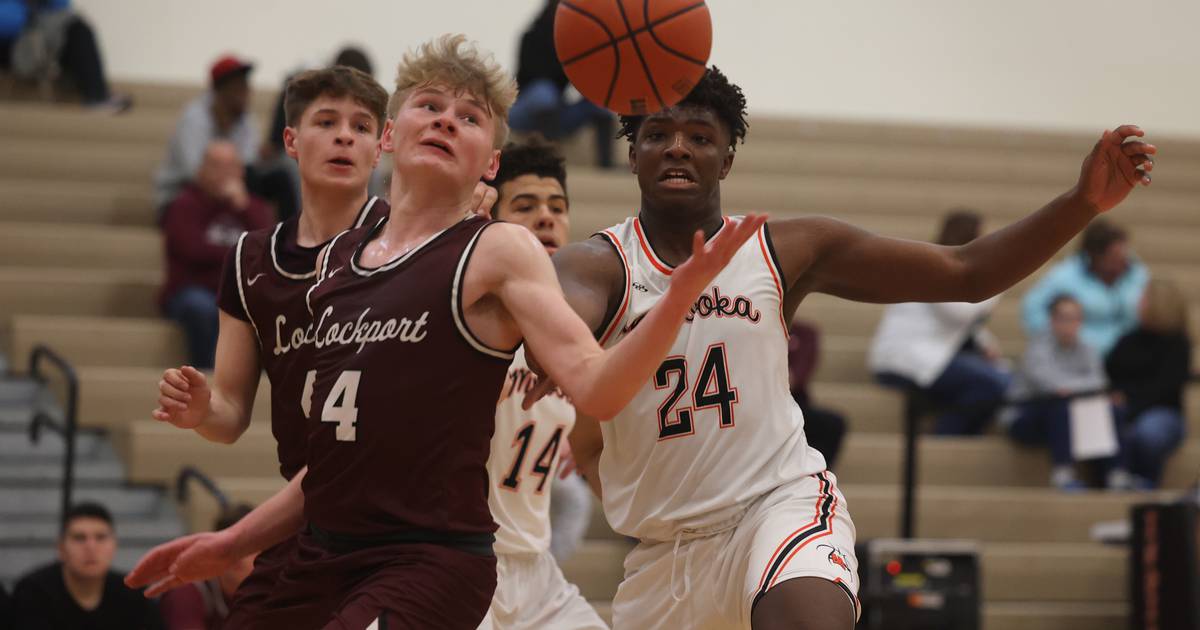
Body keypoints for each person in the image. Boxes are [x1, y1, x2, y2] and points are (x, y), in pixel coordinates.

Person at [128, 34, 760, 630]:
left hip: (428, 560)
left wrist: (677, 298)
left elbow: (596, 387)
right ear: (391, 137)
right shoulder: (338, 264)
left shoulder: (498, 250)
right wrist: (231, 543)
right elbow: (334, 467)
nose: (445, 119)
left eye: (469, 116)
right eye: (429, 106)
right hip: (322, 549)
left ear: (489, 163)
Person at [549, 67, 1153, 630]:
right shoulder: (593, 270)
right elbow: (578, 417)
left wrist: (1083, 204)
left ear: (727, 159)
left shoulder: (784, 250)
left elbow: (966, 272)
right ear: (632, 155)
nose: (678, 146)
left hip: (774, 508)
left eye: (700, 136)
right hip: (663, 556)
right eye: (658, 133)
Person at [477, 138, 606, 629]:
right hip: (460, 559)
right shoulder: (475, 318)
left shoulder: (581, 332)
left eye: (557, 206)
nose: (547, 218)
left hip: (535, 569)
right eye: (525, 206)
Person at [868, 209, 1011, 435]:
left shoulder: (943, 266)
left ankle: (955, 435)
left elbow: (959, 321)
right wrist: (1000, 279)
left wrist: (986, 344)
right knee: (994, 382)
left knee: (1004, 375)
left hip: (930, 355)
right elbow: (959, 313)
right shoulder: (932, 266)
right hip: (904, 358)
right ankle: (944, 436)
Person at [160, 140, 274, 369]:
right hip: (193, 290)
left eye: (231, 166)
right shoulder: (184, 205)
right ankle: (211, 376)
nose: (224, 174)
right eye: (216, 166)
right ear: (201, 170)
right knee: (202, 308)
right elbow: (193, 251)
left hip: (241, 295)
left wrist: (243, 207)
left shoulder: (254, 208)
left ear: (241, 171)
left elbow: (267, 251)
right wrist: (242, 256)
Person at [1005, 295, 1128, 491]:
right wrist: (1078, 389)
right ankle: (1063, 473)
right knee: (1061, 406)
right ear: (1052, 320)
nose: (1070, 324)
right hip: (1027, 414)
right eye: (1064, 318)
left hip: (1072, 414)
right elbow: (1050, 386)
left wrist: (1071, 389)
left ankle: (1117, 475)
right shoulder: (1037, 347)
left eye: (1075, 318)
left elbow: (1099, 382)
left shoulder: (1087, 347)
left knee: (1112, 407)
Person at [11, 503, 164, 630]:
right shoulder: (33, 592)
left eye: (100, 537)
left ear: (114, 545)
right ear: (61, 548)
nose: (91, 547)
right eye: (79, 538)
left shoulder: (133, 592)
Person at [1106, 277, 1191, 487]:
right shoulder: (1128, 339)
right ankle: (1112, 477)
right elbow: (1109, 373)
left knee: (1147, 432)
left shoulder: (1178, 344)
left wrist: (1129, 404)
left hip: (1162, 411)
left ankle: (1146, 481)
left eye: (1143, 298)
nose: (1138, 303)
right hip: (1124, 408)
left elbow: (1164, 389)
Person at [509, 0, 615, 168]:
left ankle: (607, 164)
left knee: (600, 104)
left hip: (558, 113)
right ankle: (548, 159)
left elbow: (587, 82)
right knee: (544, 93)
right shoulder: (530, 37)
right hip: (525, 112)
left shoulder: (575, 43)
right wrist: (568, 62)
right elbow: (532, 74)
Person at [1022, 218, 1148, 357]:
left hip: (1129, 356)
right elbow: (1032, 309)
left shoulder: (1137, 274)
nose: (1122, 263)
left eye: (1123, 255)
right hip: (1080, 357)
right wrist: (1060, 339)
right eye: (1113, 257)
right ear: (1094, 255)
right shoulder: (1064, 277)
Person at [154, 54, 260, 211]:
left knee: (275, 177)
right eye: (238, 86)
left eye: (245, 85)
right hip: (180, 194)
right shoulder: (193, 118)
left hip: (228, 192)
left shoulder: (246, 120)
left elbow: (247, 166)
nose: (245, 92)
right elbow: (195, 172)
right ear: (220, 90)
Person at [0, 0, 130, 111]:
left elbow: (63, 7)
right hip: (11, 38)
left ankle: (97, 96)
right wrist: (24, 14)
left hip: (36, 35)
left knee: (77, 29)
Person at [159, 505, 257, 630]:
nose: (239, 558)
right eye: (231, 549)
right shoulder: (188, 590)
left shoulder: (270, 589)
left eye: (249, 549)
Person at [787, 321, 847, 469]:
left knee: (831, 424)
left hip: (794, 405)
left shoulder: (804, 333)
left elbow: (795, 378)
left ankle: (816, 475)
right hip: (759, 407)